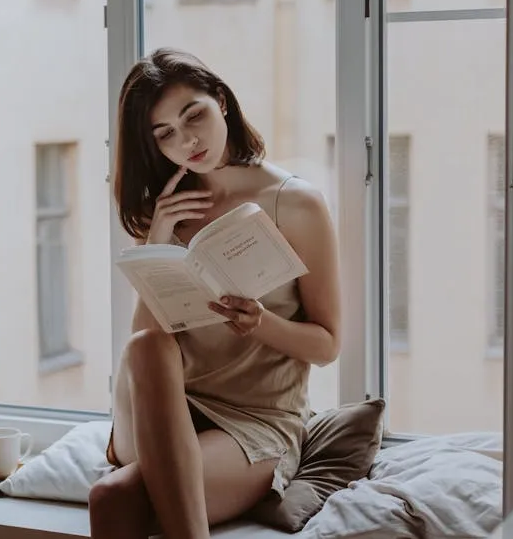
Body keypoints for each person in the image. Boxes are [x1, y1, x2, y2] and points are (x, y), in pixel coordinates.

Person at [89, 48, 342, 539]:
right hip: (168, 408)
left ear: (221, 101)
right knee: (145, 344)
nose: (186, 141)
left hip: (256, 421)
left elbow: (328, 345)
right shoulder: (166, 210)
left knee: (111, 498)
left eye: (194, 116)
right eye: (164, 134)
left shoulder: (297, 204)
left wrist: (259, 322)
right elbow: (144, 345)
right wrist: (157, 241)